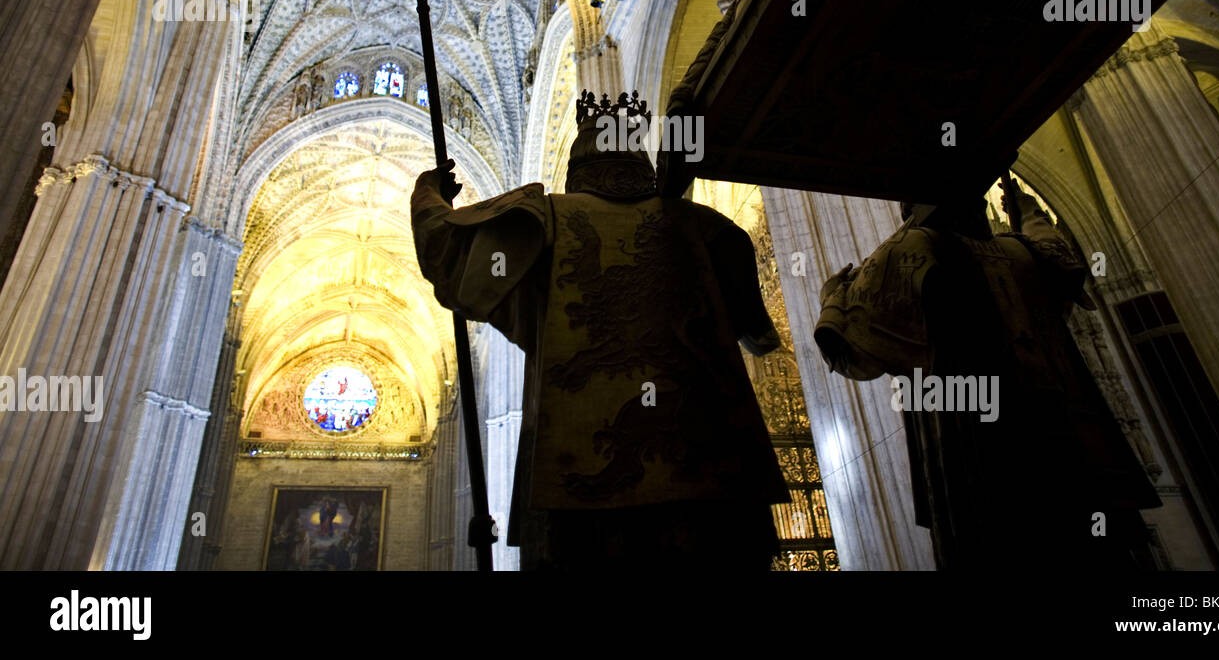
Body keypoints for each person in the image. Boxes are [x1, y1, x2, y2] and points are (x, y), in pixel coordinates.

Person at [410, 92, 789, 570]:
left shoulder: (543, 219)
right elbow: (757, 332)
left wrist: (429, 192)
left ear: (578, 158)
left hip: (580, 494)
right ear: (639, 155)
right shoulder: (711, 229)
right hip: (713, 490)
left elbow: (448, 255)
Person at [814, 178, 1159, 569]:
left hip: (973, 442)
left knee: (993, 544)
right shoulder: (1019, 250)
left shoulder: (906, 250)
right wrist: (1028, 213)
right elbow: (1063, 263)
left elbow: (851, 351)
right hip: (1062, 434)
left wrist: (831, 297)